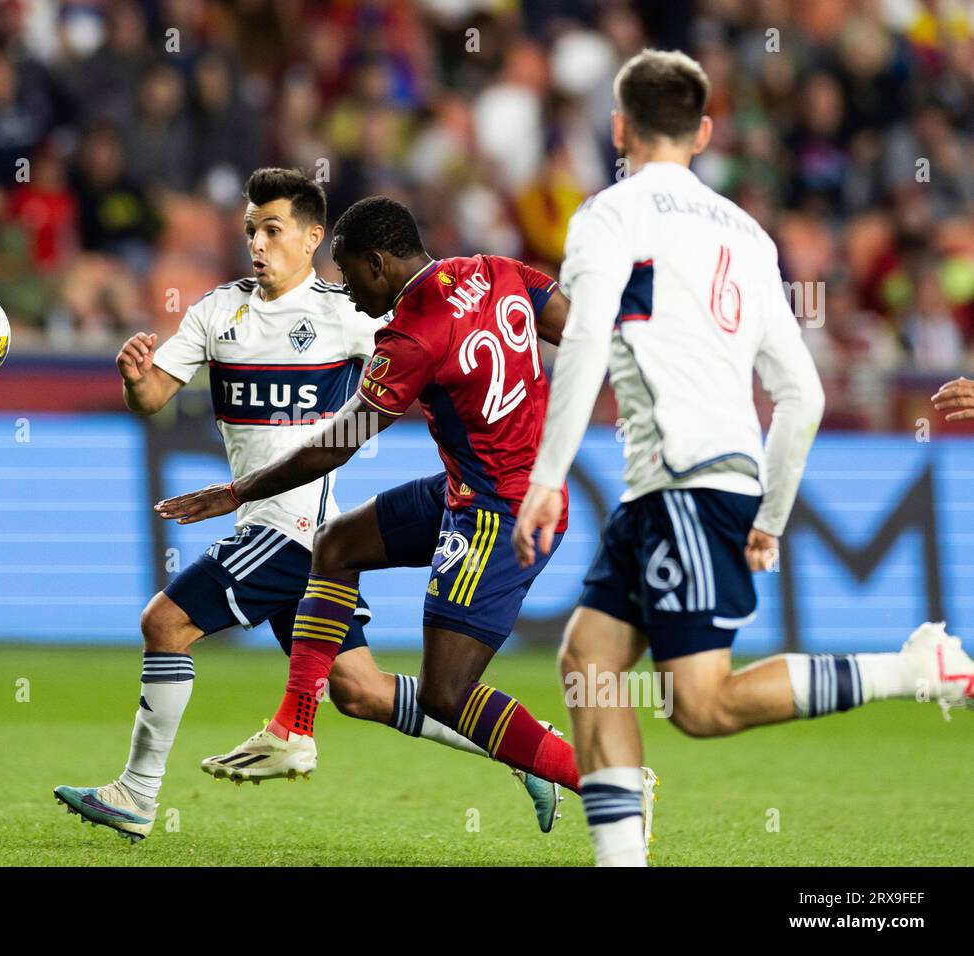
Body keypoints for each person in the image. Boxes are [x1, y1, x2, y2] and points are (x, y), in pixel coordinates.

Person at [512, 49, 974, 868]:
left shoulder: (608, 215)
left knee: (701, 703)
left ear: (619, 127)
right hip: (688, 487)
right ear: (704, 133)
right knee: (589, 658)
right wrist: (769, 517)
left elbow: (582, 337)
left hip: (685, 482)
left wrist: (547, 477)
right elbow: (804, 395)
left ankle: (915, 668)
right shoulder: (751, 237)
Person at [54, 169, 562, 843]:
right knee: (361, 691)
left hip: (291, 527)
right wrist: (134, 378)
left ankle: (139, 794)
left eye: (273, 230)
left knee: (165, 623)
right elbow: (153, 400)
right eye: (249, 232)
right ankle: (535, 750)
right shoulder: (216, 313)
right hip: (295, 532)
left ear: (313, 238)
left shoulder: (353, 311)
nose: (258, 245)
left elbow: (361, 418)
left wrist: (235, 490)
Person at [157, 195, 658, 827]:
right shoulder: (498, 270)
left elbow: (337, 444)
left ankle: (611, 783)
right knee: (337, 544)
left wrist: (237, 492)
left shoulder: (413, 332)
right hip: (476, 488)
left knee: (447, 693)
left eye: (348, 274)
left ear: (377, 263)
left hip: (499, 514)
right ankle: (293, 728)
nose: (347, 291)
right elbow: (583, 333)